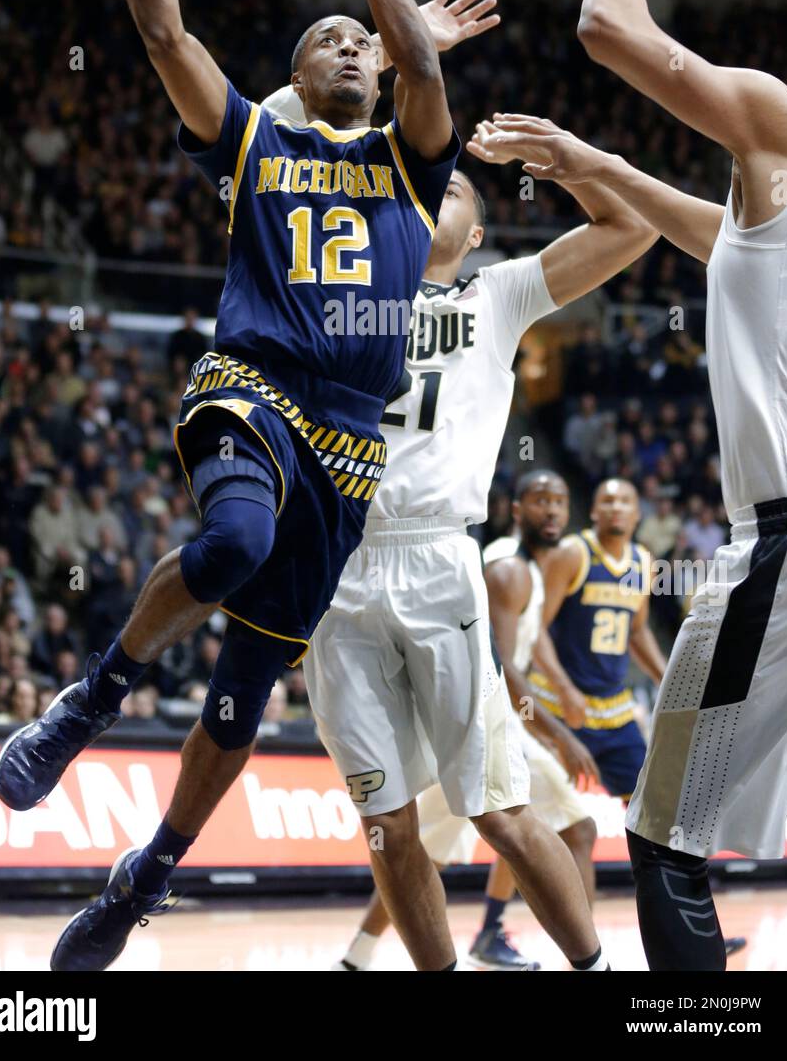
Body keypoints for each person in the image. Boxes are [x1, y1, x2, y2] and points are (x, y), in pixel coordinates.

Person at [0, 0, 489, 974]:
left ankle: (143, 876)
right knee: (225, 544)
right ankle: (92, 698)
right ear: (292, 74)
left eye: (364, 40)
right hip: (250, 384)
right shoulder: (257, 144)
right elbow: (166, 37)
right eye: (332, 38)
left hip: (351, 445)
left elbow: (419, 65)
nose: (356, 48)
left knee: (239, 692)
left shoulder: (414, 173)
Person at [475, 0, 787, 969]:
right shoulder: (777, 216)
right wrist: (587, 159)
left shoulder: (777, 130)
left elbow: (607, 29)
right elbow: (708, 237)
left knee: (662, 839)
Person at [304, 115, 658, 972]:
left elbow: (634, 226)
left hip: (435, 557)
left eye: (454, 189)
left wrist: (561, 159)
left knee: (498, 811)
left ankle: (595, 967)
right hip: (335, 561)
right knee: (387, 823)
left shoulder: (495, 295)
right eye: (424, 187)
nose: (436, 196)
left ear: (481, 231)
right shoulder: (331, 289)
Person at [331, 470, 600, 972]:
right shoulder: (507, 570)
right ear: (516, 511)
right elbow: (499, 659)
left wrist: (562, 687)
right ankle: (560, 950)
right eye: (541, 501)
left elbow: (530, 641)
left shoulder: (532, 570)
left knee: (432, 846)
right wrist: (559, 732)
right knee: (571, 828)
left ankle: (357, 957)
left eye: (561, 502)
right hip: (483, 706)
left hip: (465, 706)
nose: (553, 512)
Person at [528, 478, 664, 802]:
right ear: (592, 511)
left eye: (625, 501)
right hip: (559, 705)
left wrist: (666, 677)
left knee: (648, 808)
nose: (616, 507)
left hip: (614, 710)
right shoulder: (572, 553)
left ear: (637, 514)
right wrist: (565, 689)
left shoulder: (643, 562)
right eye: (607, 501)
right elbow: (535, 628)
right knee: (551, 823)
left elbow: (638, 631)